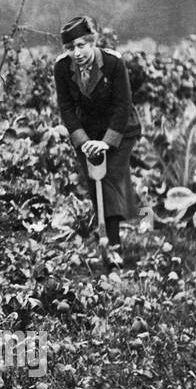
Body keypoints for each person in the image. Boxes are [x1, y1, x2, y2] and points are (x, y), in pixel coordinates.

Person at [53, 15, 142, 267]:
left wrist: (106, 142)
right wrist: (83, 141)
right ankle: (109, 236)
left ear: (92, 42)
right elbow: (66, 108)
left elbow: (123, 106)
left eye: (81, 45)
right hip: (87, 132)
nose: (77, 53)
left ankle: (113, 247)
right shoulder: (62, 68)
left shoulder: (113, 63)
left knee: (110, 177)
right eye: (70, 48)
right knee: (95, 182)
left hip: (120, 129)